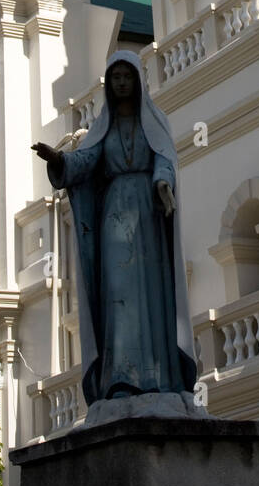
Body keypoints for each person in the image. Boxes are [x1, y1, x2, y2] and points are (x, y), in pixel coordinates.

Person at [32, 49, 197, 406]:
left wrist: (162, 183)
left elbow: (164, 159)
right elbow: (86, 161)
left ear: (138, 81)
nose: (122, 83)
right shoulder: (101, 130)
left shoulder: (154, 123)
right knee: (118, 295)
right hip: (113, 219)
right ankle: (121, 377)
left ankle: (158, 375)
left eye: (127, 77)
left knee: (152, 295)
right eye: (116, 79)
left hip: (148, 215)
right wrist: (59, 160)